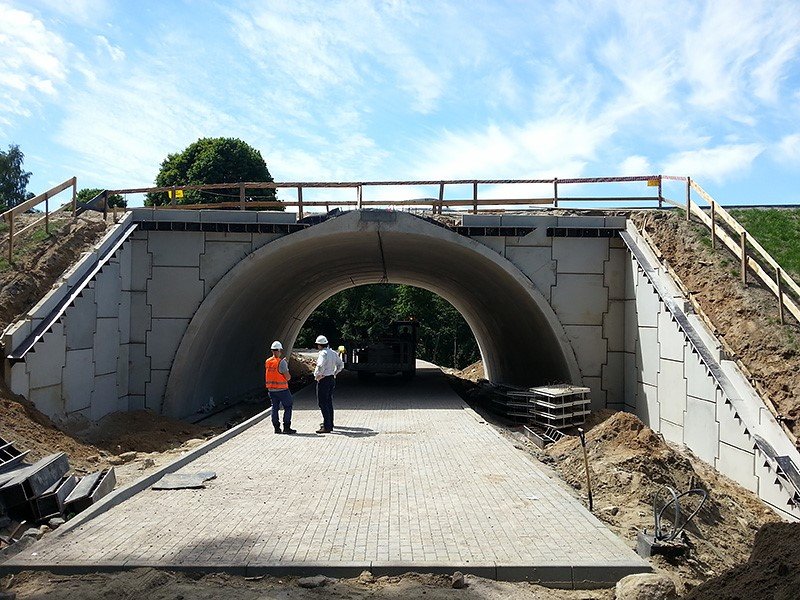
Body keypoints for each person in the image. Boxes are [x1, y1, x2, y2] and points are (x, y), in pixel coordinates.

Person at [314, 334, 344, 434]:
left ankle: (327, 426)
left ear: (319, 345)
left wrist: (318, 375)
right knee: (329, 402)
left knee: (322, 403)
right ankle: (330, 423)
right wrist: (335, 373)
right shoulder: (333, 353)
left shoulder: (323, 354)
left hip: (324, 380)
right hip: (331, 379)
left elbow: (320, 365)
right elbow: (341, 364)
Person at [265, 341, 296, 434]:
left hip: (271, 390)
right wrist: (285, 366)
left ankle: (276, 428)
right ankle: (286, 427)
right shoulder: (281, 362)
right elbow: (288, 377)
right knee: (288, 406)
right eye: (280, 351)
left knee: (274, 408)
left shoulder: (268, 361)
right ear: (279, 350)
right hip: (282, 390)